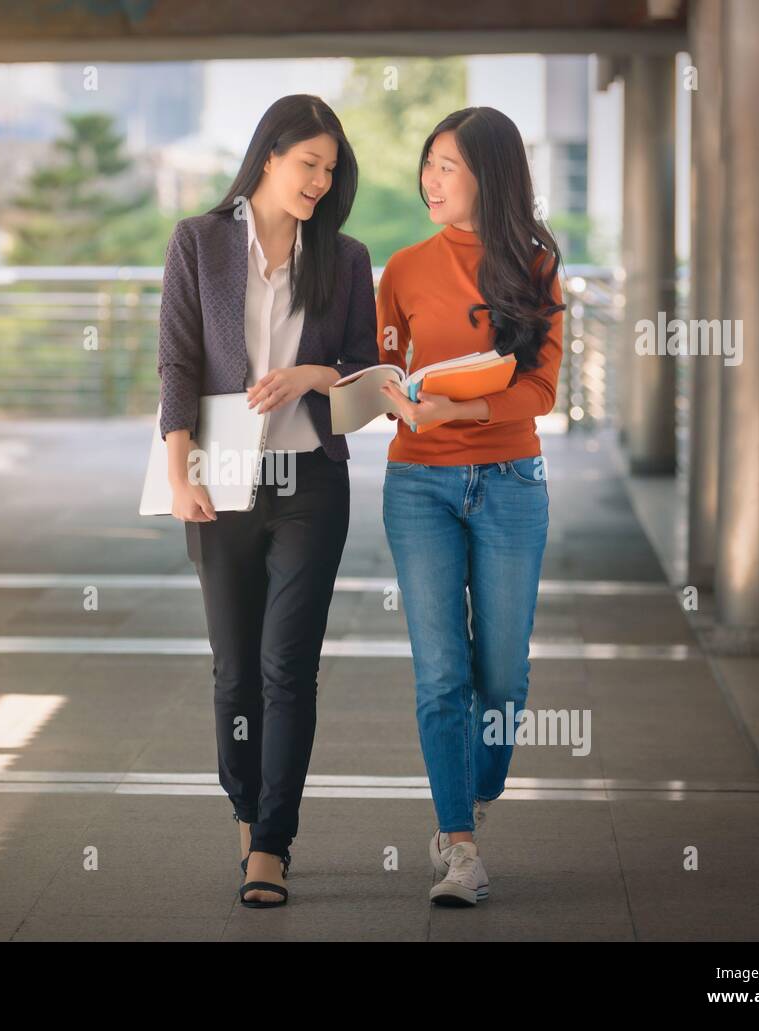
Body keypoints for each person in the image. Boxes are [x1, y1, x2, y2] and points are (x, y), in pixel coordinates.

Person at [155, 95, 379, 908]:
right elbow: (177, 363)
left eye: (330, 169)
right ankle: (245, 809)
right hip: (222, 479)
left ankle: (272, 843)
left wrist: (312, 376)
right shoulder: (200, 243)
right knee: (234, 671)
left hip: (310, 482)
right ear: (268, 157)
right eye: (307, 164)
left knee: (289, 665)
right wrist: (179, 474)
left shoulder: (345, 258)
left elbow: (366, 379)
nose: (319, 181)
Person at [376, 107, 566, 907]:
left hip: (512, 481)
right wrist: (395, 394)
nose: (431, 178)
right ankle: (461, 842)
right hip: (418, 483)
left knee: (504, 675)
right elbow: (382, 369)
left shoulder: (535, 263)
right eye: (428, 163)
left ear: (490, 174)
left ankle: (474, 785)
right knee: (442, 672)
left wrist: (462, 410)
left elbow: (541, 388)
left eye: (448, 165)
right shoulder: (402, 268)